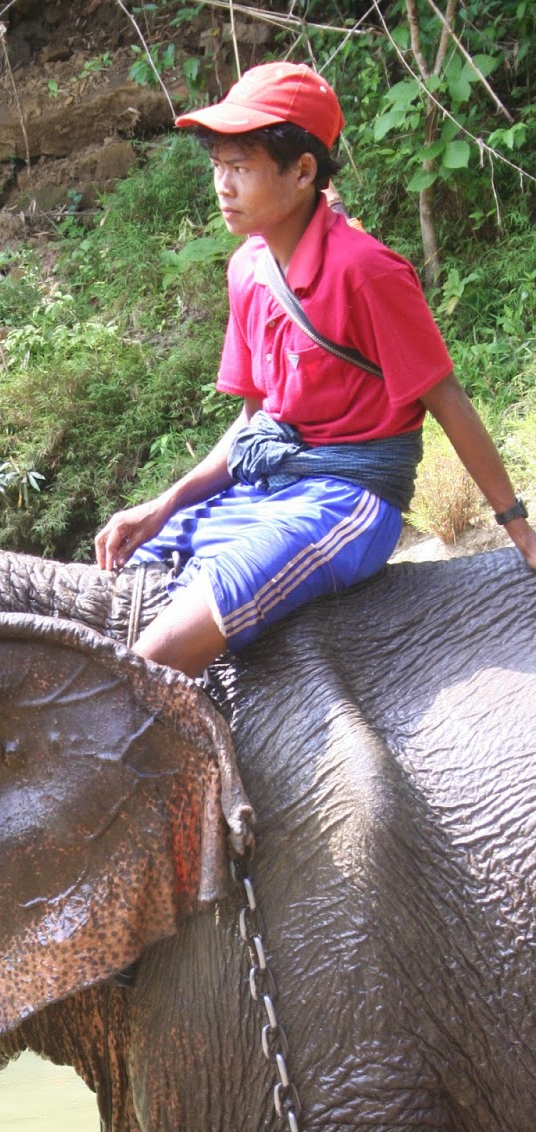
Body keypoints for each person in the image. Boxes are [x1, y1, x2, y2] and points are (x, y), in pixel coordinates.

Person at [95, 61, 536, 676]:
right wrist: (162, 505)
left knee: (158, 654)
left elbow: (448, 401)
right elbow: (255, 423)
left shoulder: (367, 271)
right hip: (266, 487)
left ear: (303, 171)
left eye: (242, 168)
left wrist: (518, 527)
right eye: (218, 166)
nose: (223, 186)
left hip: (345, 502)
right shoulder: (247, 271)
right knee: (117, 581)